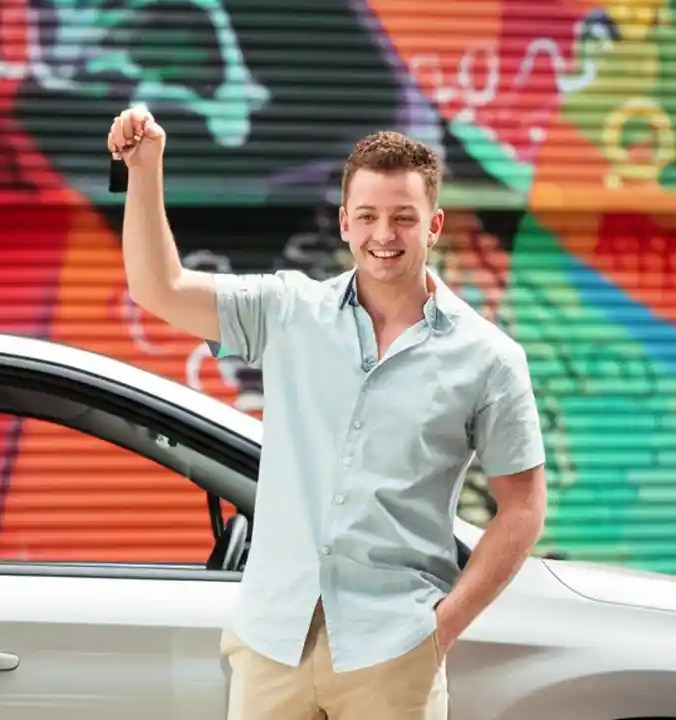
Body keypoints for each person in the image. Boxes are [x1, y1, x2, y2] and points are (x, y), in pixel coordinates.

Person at [107, 107, 547, 719]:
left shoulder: (489, 357)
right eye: (366, 216)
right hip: (272, 643)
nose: (383, 234)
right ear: (344, 222)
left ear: (435, 224)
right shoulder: (289, 311)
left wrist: (442, 629)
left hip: (394, 652)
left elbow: (523, 506)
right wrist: (145, 169)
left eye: (403, 217)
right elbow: (159, 286)